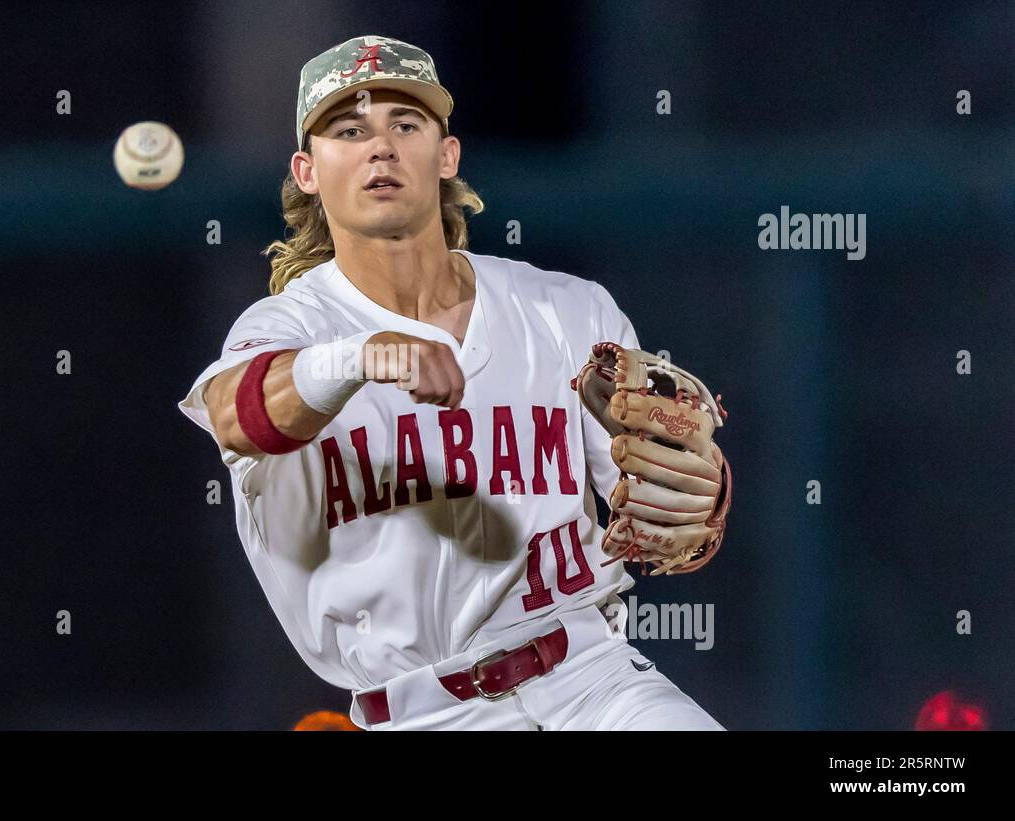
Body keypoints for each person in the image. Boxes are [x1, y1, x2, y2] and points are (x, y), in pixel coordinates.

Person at [177, 35, 727, 730]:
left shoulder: (564, 309)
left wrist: (684, 491)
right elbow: (235, 414)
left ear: (446, 155)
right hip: (420, 713)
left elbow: (651, 491)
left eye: (405, 126)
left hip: (596, 681)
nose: (381, 147)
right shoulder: (293, 326)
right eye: (349, 131)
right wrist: (356, 358)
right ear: (307, 170)